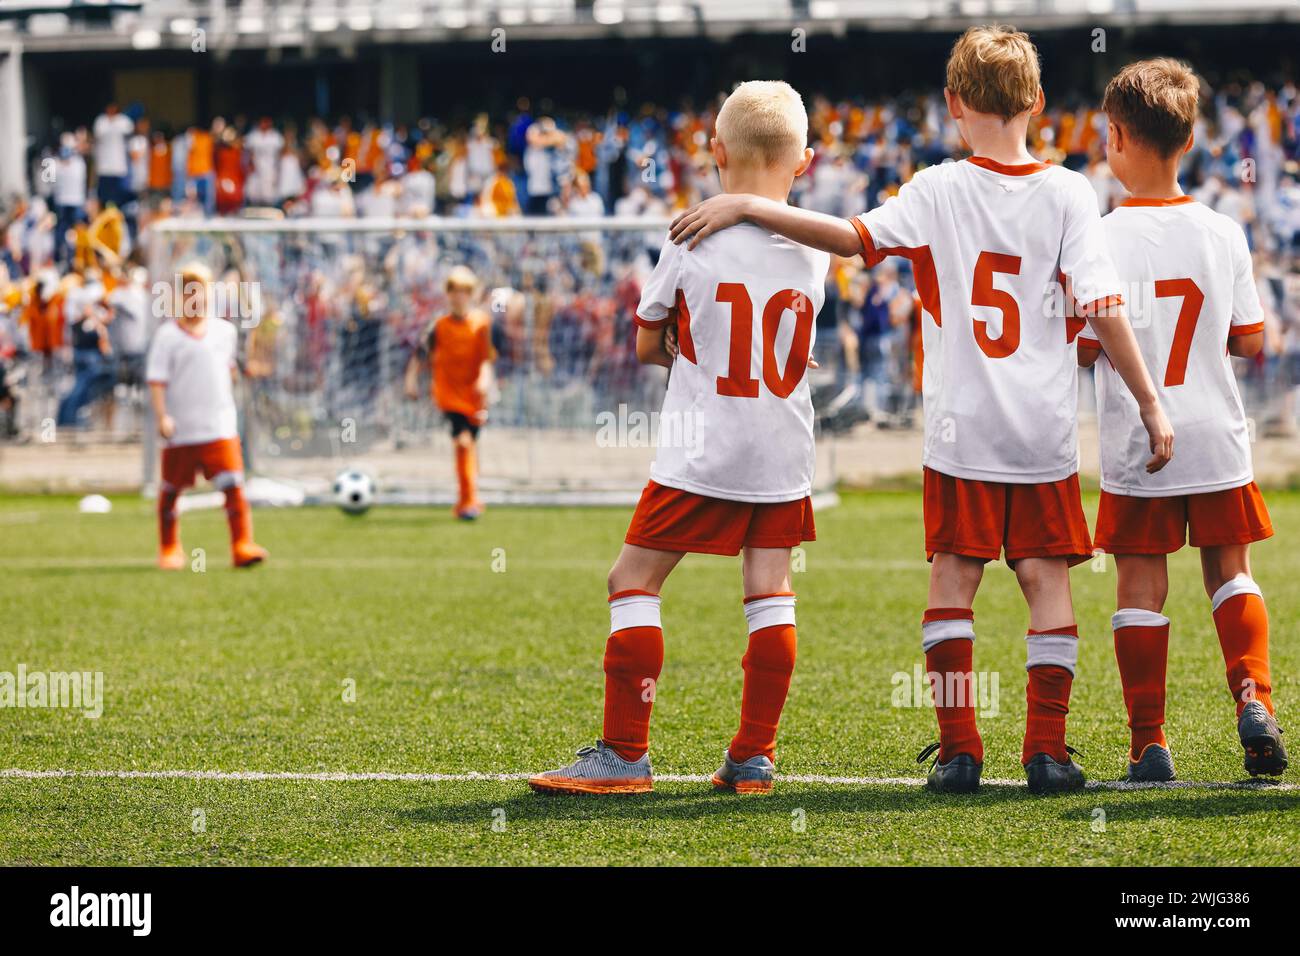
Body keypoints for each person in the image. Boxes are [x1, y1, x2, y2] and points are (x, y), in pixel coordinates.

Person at [670, 26, 1175, 795]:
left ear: (951, 105)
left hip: (959, 431)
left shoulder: (938, 187)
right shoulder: (1073, 190)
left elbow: (850, 240)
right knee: (1047, 584)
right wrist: (1148, 400)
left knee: (952, 582)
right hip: (1041, 434)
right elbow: (1104, 308)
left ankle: (958, 749)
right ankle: (1046, 750)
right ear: (1037, 102)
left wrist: (749, 205)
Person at [530, 81, 826, 796]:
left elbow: (646, 344)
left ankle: (626, 755)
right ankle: (753, 756)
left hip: (705, 447)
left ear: (716, 151)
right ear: (806, 161)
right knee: (769, 593)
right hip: (783, 449)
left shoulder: (690, 236)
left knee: (631, 582)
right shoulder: (816, 248)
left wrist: (689, 350)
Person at [1079, 59, 1285, 781]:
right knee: (1231, 574)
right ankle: (1252, 698)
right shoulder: (1222, 231)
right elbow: (1254, 338)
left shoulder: (1097, 235)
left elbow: (1084, 343)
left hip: (1140, 436)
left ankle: (1149, 742)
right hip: (1215, 429)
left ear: (1116, 137)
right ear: (1189, 139)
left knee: (1139, 587)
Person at [145, 262, 268, 570]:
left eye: (200, 291)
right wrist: (162, 417)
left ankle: (242, 545)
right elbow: (157, 381)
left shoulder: (224, 332)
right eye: (188, 292)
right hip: (182, 427)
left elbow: (227, 370)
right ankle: (169, 547)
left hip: (219, 424)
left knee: (233, 484)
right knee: (171, 489)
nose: (195, 298)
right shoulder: (167, 337)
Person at [403, 266, 495, 520]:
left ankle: (469, 498)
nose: (459, 296)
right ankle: (466, 504)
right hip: (447, 393)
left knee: (469, 445)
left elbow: (486, 359)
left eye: (464, 291)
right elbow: (420, 354)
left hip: (474, 394)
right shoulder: (439, 326)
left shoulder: (481, 324)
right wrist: (411, 379)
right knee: (463, 442)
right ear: (448, 294)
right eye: (454, 291)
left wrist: (485, 381)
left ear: (471, 294)